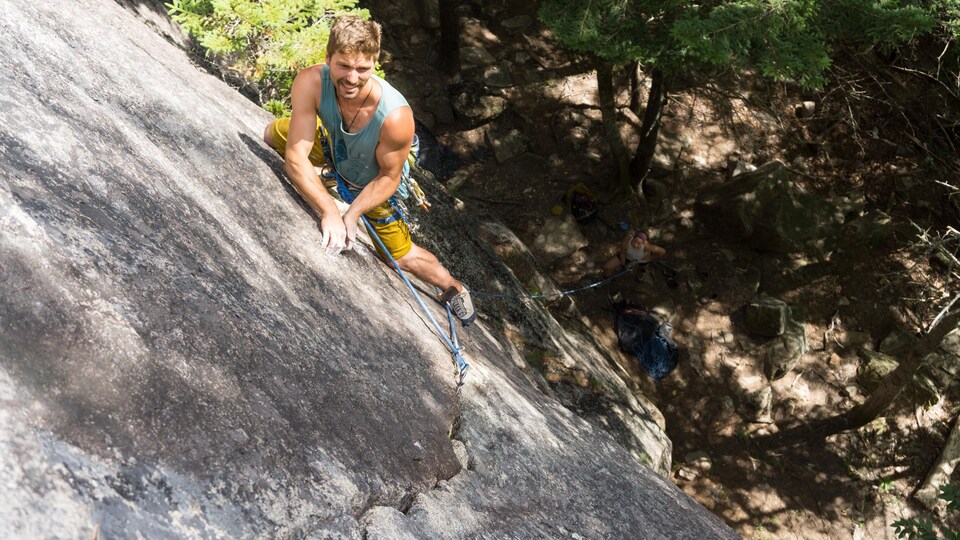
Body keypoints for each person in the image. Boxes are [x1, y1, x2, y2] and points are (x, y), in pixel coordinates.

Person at [262, 15, 476, 325]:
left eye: (363, 69)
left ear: (374, 63)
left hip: (370, 177)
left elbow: (388, 177)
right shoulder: (311, 82)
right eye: (343, 67)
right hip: (333, 144)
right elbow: (296, 158)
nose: (352, 78)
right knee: (271, 136)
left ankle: (454, 287)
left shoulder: (395, 117)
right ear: (327, 58)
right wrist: (329, 210)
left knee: (398, 257)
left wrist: (351, 215)